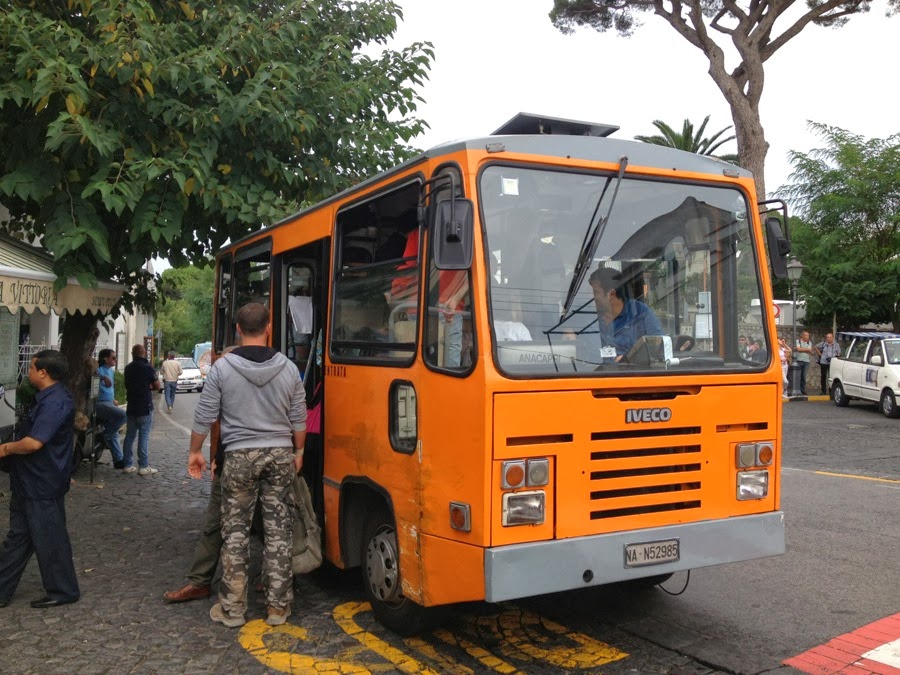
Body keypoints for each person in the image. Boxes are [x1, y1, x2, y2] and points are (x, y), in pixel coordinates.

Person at [188, 303, 306, 628]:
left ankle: (233, 609)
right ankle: (278, 608)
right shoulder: (288, 368)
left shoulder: (223, 370)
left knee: (235, 532)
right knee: (279, 531)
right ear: (269, 327)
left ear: (238, 330)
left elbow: (205, 415)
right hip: (281, 454)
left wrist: (195, 452)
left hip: (239, 456)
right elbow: (299, 417)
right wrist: (299, 451)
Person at [0, 350, 80, 609]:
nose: (29, 372)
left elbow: (35, 442)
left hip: (42, 482)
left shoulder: (54, 401)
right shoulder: (47, 398)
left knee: (50, 537)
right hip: (29, 480)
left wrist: (5, 449)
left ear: (43, 372)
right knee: (19, 537)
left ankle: (63, 590)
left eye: (32, 368)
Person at [587, 266, 662, 360]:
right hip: (591, 371)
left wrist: (630, 359)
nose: (592, 297)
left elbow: (657, 344)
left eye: (596, 292)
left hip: (630, 372)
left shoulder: (639, 312)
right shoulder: (587, 315)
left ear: (612, 294)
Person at [123, 344, 161, 475]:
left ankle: (127, 464)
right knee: (143, 436)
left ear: (133, 354)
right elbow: (157, 386)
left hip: (132, 405)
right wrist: (148, 386)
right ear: (144, 353)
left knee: (129, 436)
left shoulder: (128, 368)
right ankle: (143, 466)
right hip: (145, 406)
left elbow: (127, 385)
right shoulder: (147, 367)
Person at [95, 349, 126, 469]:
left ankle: (118, 460)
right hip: (100, 403)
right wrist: (103, 378)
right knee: (123, 416)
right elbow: (92, 374)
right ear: (105, 359)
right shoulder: (99, 369)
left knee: (114, 432)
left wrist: (113, 400)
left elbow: (110, 390)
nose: (115, 360)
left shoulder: (111, 371)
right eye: (113, 358)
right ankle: (104, 436)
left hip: (109, 402)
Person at [794, 330, 813, 396]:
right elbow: (798, 349)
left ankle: (802, 390)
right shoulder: (797, 341)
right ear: (802, 335)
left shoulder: (809, 342)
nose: (807, 337)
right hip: (799, 360)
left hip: (806, 361)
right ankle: (797, 389)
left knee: (803, 377)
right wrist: (806, 349)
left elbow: (810, 350)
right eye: (806, 335)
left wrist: (803, 349)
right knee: (798, 376)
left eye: (808, 335)